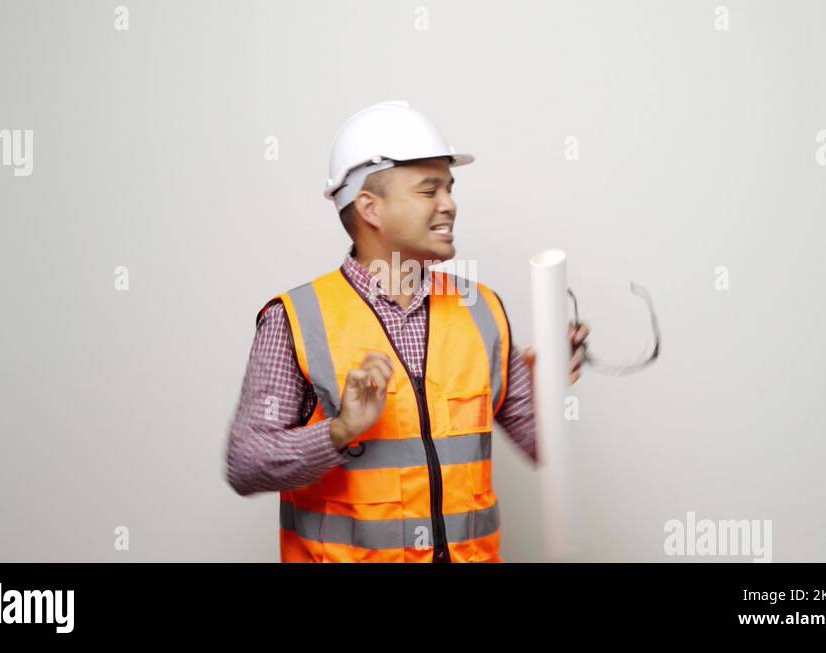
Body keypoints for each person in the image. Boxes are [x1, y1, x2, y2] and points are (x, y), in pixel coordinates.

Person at [225, 100, 589, 562]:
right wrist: (340, 431)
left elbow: (545, 450)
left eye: (450, 188)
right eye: (428, 190)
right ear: (369, 207)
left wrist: (548, 385)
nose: (449, 205)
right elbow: (246, 463)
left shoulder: (482, 310)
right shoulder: (296, 319)